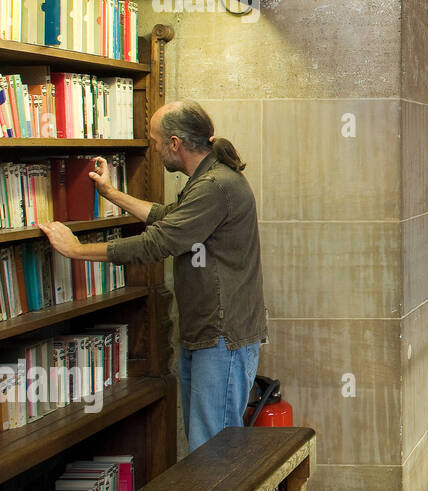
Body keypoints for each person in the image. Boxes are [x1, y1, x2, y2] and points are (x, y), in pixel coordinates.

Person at [39, 100, 268, 452]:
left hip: (222, 336)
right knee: (208, 445)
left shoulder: (215, 185)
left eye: (156, 141)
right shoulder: (209, 178)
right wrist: (112, 194)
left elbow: (158, 243)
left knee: (213, 452)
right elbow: (167, 217)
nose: (154, 148)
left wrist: (76, 250)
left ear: (175, 143)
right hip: (211, 333)